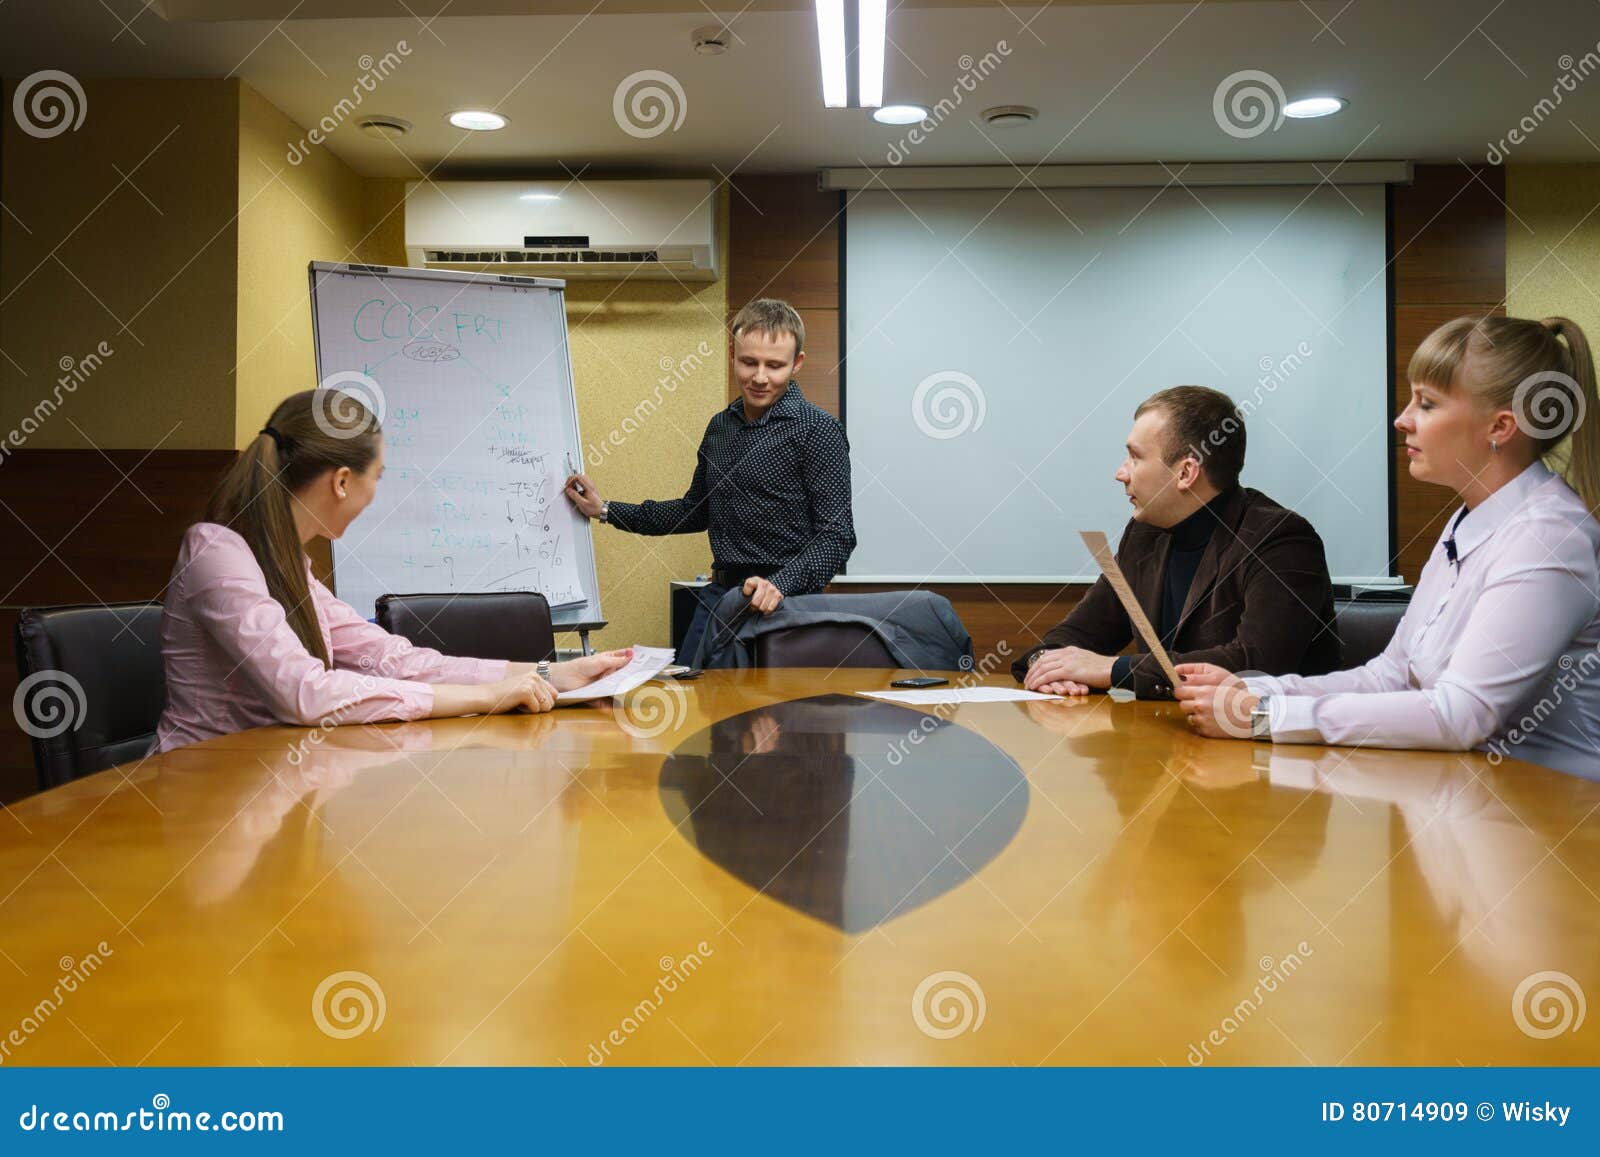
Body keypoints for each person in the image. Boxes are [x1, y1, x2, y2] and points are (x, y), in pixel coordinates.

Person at [1178, 315, 1600, 779]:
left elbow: (1461, 715)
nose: (1403, 420)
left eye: (1428, 404)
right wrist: (1258, 693)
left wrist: (1262, 718)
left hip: (1549, 817)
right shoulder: (1470, 519)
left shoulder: (1550, 538)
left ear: (1499, 427)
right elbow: (1390, 676)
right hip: (1470, 794)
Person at [154, 389, 631, 753]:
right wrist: (488, 696)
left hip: (267, 780)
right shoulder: (216, 553)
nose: (374, 494)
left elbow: (401, 663)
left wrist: (554, 674)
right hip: (199, 789)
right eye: (377, 477)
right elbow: (305, 694)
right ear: (342, 481)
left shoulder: (286, 563)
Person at [563, 298, 855, 664]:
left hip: (790, 605)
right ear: (732, 355)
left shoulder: (819, 431)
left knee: (782, 717)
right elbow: (694, 511)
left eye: (775, 365)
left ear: (797, 364)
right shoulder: (720, 427)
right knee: (694, 701)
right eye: (749, 362)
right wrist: (605, 510)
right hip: (721, 599)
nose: (760, 377)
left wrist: (780, 584)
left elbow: (837, 535)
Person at [1014, 385, 1339, 699]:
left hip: (1265, 747)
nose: (1120, 473)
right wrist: (1045, 667)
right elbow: (1077, 636)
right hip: (1172, 740)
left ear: (1185, 473)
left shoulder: (1282, 540)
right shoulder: (1144, 534)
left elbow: (1254, 666)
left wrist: (1114, 670)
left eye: (1135, 458)